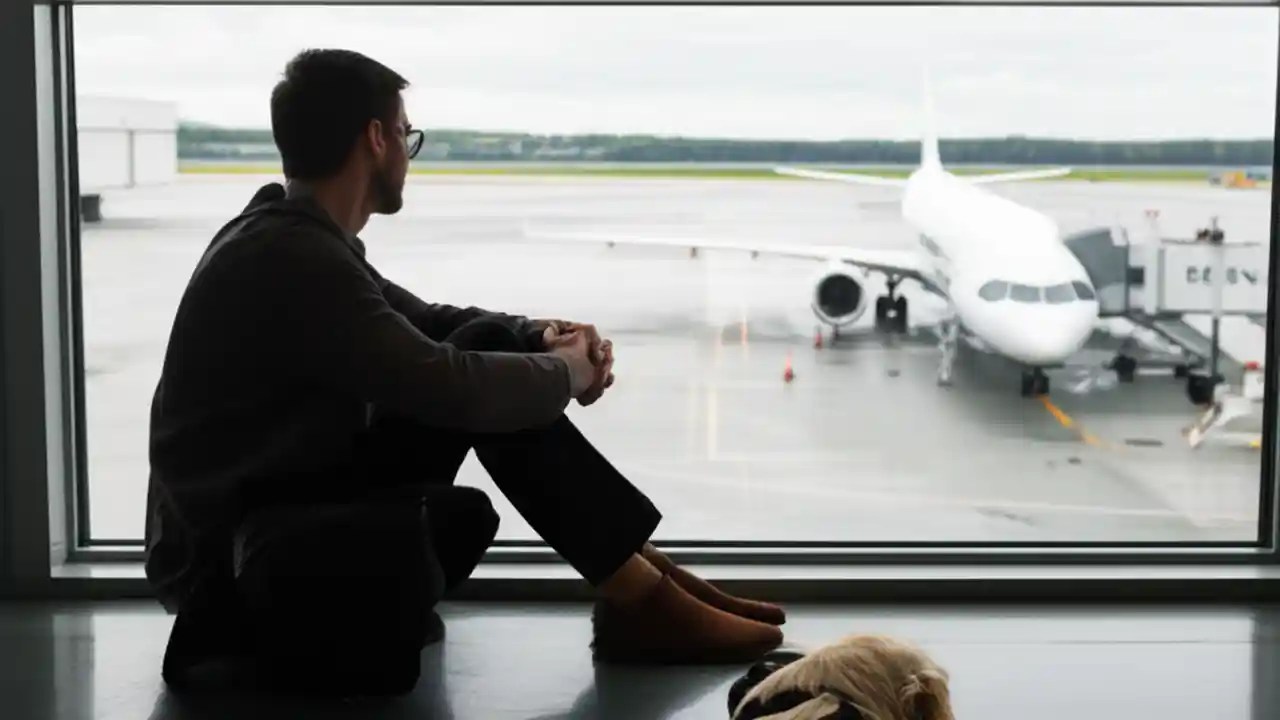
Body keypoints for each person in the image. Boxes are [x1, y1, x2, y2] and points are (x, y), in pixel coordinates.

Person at [144, 48, 785, 695]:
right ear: (376, 138)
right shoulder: (291, 257)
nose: (407, 152)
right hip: (230, 573)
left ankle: (643, 581)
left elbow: (435, 322)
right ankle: (639, 596)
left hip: (275, 515)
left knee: (485, 347)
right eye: (406, 135)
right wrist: (566, 373)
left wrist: (542, 334)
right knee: (476, 388)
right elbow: (447, 383)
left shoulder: (292, 238)